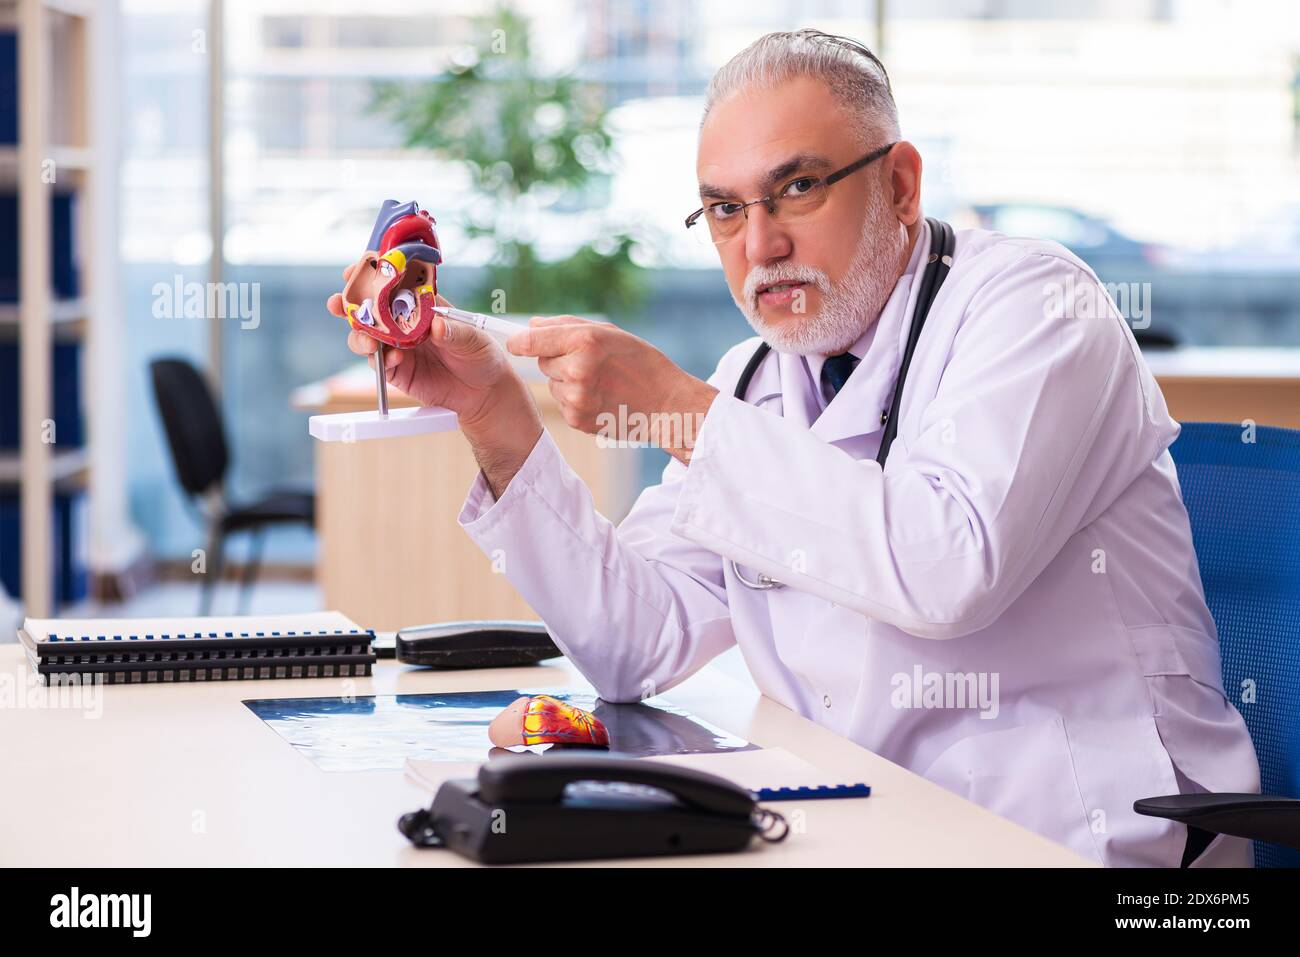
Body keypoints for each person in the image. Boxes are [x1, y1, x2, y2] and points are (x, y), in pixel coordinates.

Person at [327, 29, 1259, 867]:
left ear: (899, 183)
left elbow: (945, 567)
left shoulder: (1033, 306)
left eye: (797, 187)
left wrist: (680, 414)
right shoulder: (756, 378)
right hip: (867, 823)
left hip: (1081, 838)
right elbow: (629, 641)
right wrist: (496, 416)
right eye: (724, 210)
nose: (761, 244)